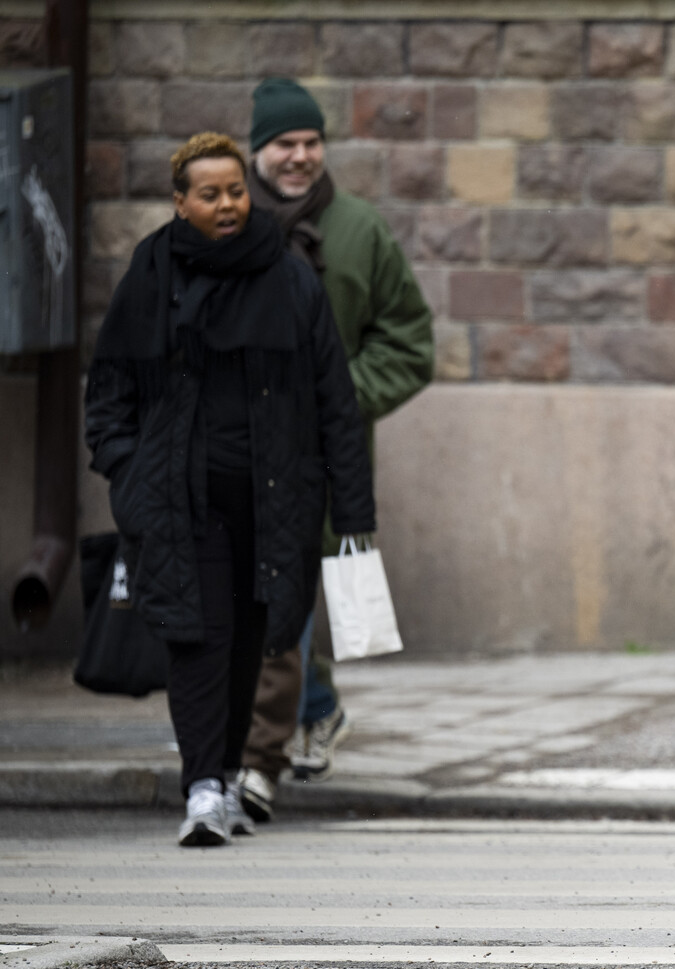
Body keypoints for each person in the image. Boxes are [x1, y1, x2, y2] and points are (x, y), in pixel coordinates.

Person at [84, 132, 374, 846]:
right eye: (208, 194)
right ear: (180, 202)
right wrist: (131, 468)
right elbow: (110, 389)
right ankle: (203, 787)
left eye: (235, 191)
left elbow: (334, 398)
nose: (226, 205)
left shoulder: (289, 275)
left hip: (274, 500)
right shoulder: (153, 275)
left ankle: (230, 774)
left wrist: (353, 507)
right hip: (183, 499)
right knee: (198, 639)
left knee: (254, 640)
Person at [236, 78, 434, 822]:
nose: (299, 156)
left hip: (325, 458)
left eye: (311, 143)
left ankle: (267, 746)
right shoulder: (224, 221)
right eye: (285, 144)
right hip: (240, 452)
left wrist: (335, 394)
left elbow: (411, 344)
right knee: (257, 600)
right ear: (259, 149)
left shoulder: (359, 231)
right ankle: (307, 711)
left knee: (290, 599)